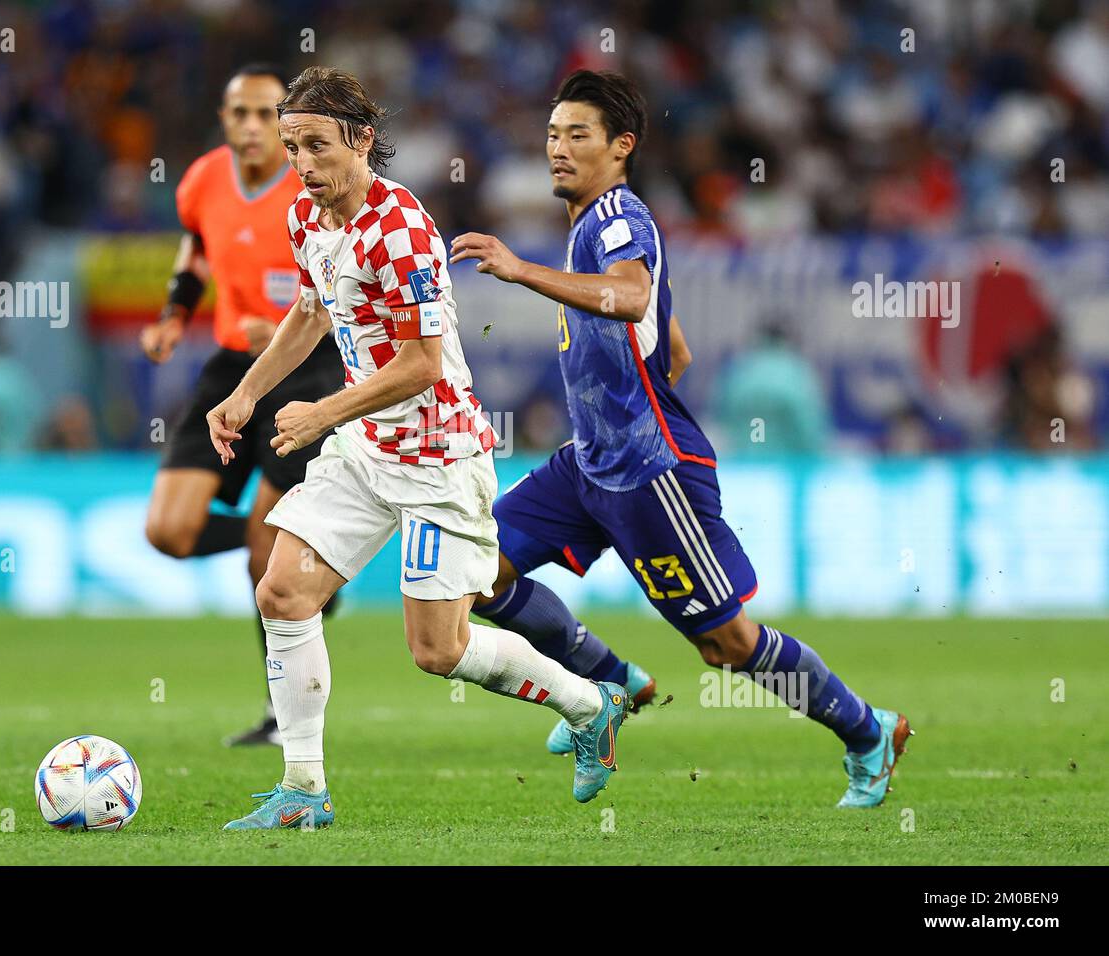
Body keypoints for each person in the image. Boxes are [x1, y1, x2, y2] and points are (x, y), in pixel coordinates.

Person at [452, 70, 911, 808]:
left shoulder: (616, 218)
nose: (557, 148)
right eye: (552, 133)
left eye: (578, 134)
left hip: (650, 475)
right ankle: (610, 680)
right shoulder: (588, 228)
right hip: (590, 465)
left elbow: (632, 294)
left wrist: (520, 271)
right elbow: (672, 342)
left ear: (620, 146)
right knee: (475, 571)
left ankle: (867, 731)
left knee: (726, 644)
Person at [206, 66, 628, 830]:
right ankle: (304, 789)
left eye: (315, 147)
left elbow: (421, 365)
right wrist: (248, 393)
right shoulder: (308, 217)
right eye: (291, 147)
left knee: (438, 652)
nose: (301, 165)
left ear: (363, 140)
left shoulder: (399, 228)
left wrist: (318, 411)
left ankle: (590, 703)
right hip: (367, 449)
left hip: (438, 456)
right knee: (282, 592)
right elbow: (312, 309)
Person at [140, 64, 345, 748]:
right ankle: (300, 553)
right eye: (241, 114)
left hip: (305, 367)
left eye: (266, 114)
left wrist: (292, 324)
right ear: (225, 120)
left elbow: (340, 277)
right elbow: (197, 247)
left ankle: (281, 716)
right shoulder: (201, 180)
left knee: (269, 556)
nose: (253, 127)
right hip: (231, 365)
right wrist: (175, 313)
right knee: (168, 532)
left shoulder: (312, 185)